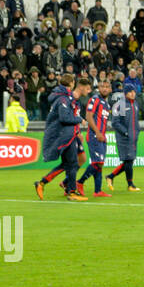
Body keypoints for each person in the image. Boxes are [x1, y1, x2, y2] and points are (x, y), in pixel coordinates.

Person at [36, 73, 86, 201]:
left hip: (68, 133)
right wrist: (79, 119)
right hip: (63, 134)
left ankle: (43, 183)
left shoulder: (64, 97)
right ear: (71, 83)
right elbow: (64, 118)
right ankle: (71, 192)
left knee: (69, 163)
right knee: (72, 163)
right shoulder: (63, 99)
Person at [79, 77, 113, 196]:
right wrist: (98, 132)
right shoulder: (95, 99)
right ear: (99, 88)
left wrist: (102, 134)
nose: (104, 89)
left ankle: (97, 190)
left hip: (101, 136)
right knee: (98, 162)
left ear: (110, 89)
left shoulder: (107, 105)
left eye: (107, 87)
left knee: (99, 163)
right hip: (94, 135)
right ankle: (80, 182)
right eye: (102, 86)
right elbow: (88, 116)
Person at [105, 83, 142, 192]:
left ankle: (110, 176)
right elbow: (115, 123)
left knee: (129, 161)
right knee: (129, 160)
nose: (133, 93)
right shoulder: (119, 105)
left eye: (134, 91)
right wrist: (126, 133)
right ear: (125, 93)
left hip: (133, 137)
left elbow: (135, 121)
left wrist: (136, 132)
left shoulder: (135, 103)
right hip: (124, 138)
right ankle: (130, 184)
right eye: (130, 92)